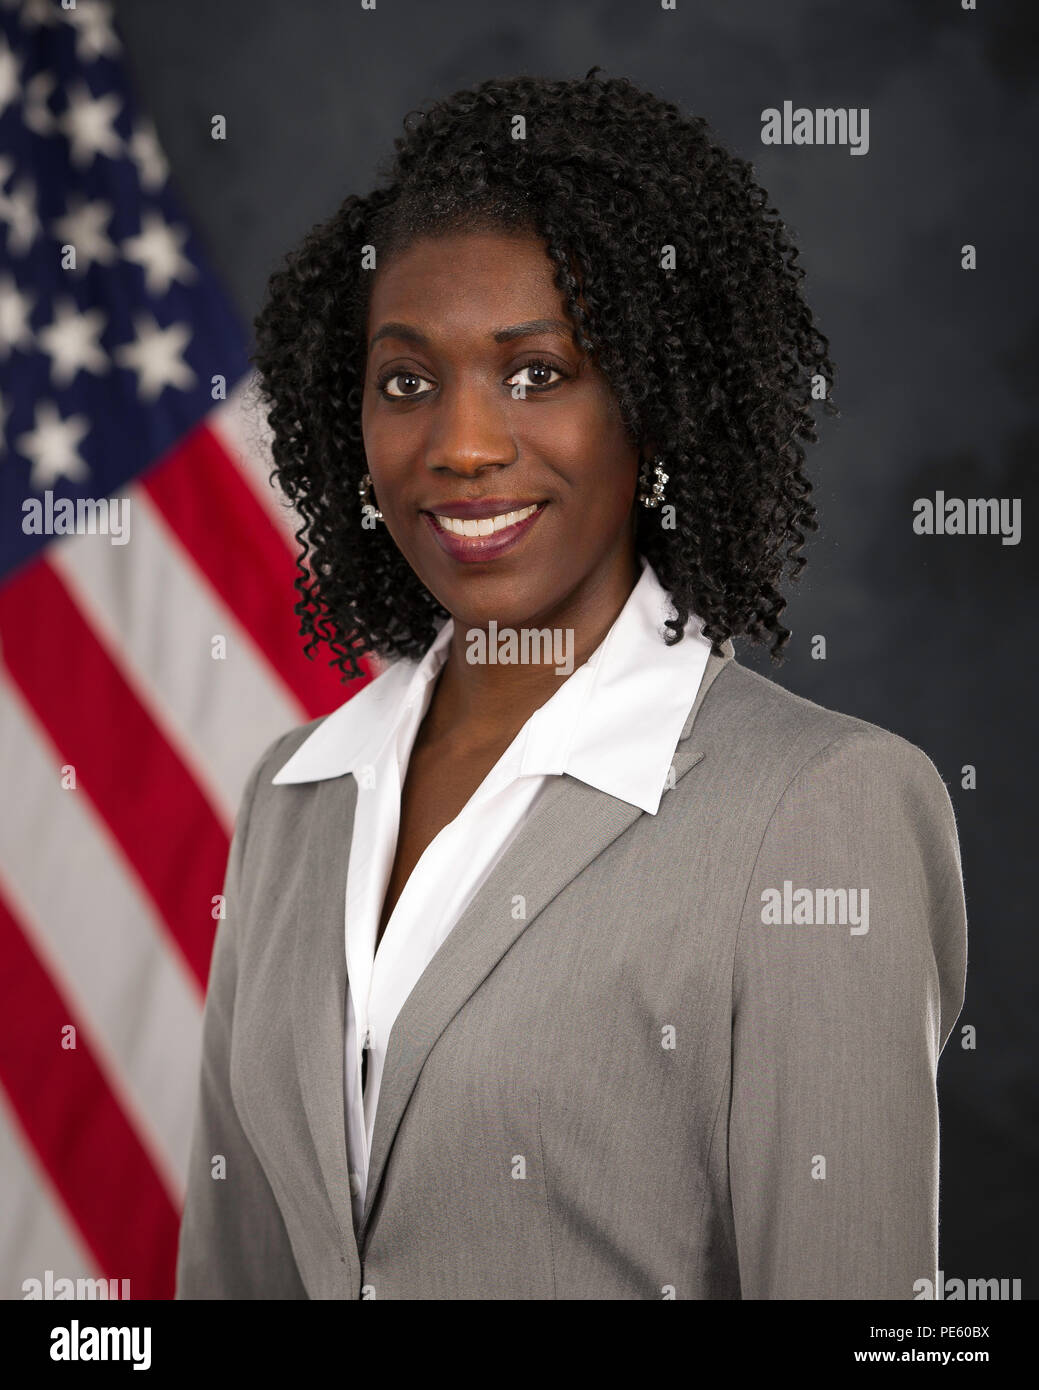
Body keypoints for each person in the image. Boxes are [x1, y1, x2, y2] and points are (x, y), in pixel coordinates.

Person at [175, 70, 967, 1300]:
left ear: (652, 407)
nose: (464, 443)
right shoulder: (294, 794)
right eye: (406, 380)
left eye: (536, 372)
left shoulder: (822, 810)